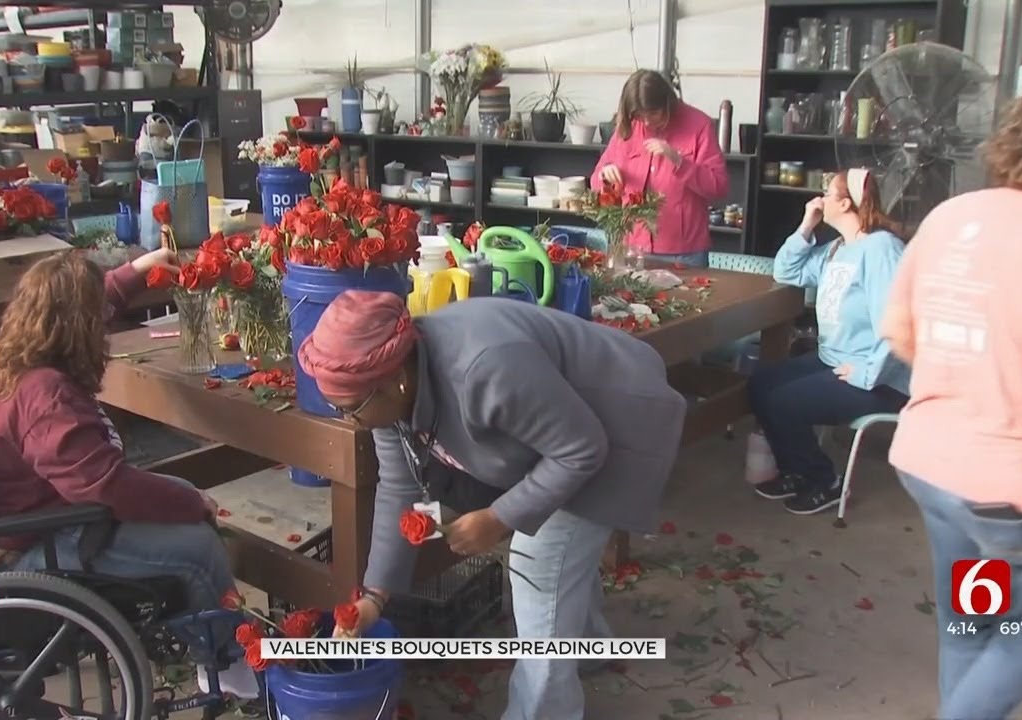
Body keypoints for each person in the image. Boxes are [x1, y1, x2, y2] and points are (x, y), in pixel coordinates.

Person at [297, 290, 686, 720]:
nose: (348, 420)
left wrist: (499, 518)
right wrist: (375, 595)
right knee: (557, 565)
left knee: (537, 562)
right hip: (559, 434)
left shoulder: (484, 367)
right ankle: (586, 649)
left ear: (396, 382)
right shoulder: (388, 383)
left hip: (618, 423)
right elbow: (398, 486)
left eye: (351, 409)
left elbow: (581, 450)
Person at [0, 249, 262, 709]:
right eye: (96, 321)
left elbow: (87, 298)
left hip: (33, 517)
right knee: (200, 550)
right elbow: (105, 486)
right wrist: (192, 506)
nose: (104, 326)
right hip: (37, 543)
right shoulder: (44, 396)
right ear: (77, 328)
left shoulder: (9, 361)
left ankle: (200, 632)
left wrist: (141, 269)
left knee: (181, 493)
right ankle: (226, 665)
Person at [880, 83, 1022, 720]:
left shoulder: (951, 216)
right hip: (1017, 495)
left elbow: (899, 332)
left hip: (936, 469)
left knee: (974, 621)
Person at [747, 169, 910, 515]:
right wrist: (807, 225)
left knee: (785, 401)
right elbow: (785, 272)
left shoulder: (881, 249)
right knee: (762, 383)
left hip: (878, 377)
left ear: (845, 202)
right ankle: (794, 469)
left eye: (826, 192)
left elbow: (899, 321)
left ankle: (825, 481)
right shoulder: (837, 248)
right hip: (834, 360)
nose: (818, 198)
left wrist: (866, 372)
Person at [590, 69, 728, 267]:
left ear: (667, 102)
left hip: (683, 253)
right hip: (633, 247)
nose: (646, 121)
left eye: (653, 113)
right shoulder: (628, 128)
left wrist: (679, 161)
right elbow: (596, 179)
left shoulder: (699, 125)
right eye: (639, 115)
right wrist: (605, 176)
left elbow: (719, 186)